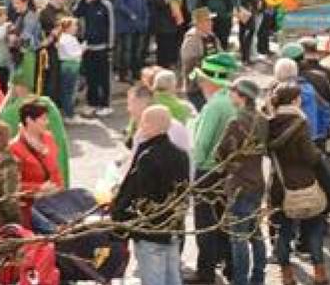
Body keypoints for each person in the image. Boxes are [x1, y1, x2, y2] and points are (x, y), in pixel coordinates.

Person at [111, 105, 191, 285]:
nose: (140, 126)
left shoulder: (148, 157)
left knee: (153, 279)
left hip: (150, 230)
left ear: (152, 125)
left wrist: (119, 217)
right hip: (173, 227)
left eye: (143, 122)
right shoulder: (181, 155)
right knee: (173, 277)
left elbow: (139, 195)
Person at [267, 82, 328, 285]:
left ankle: (286, 274)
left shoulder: (270, 123)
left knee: (283, 230)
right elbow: (310, 156)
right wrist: (319, 155)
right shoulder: (300, 123)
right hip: (304, 181)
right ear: (294, 100)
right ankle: (319, 272)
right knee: (314, 226)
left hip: (280, 183)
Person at [188, 52, 241, 283]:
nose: (199, 84)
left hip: (208, 171)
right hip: (228, 170)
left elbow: (201, 145)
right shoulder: (232, 100)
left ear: (210, 81)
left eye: (201, 79)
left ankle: (206, 274)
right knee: (223, 222)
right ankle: (231, 266)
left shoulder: (214, 106)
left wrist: (192, 176)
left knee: (205, 226)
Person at [217, 79, 269, 285]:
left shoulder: (236, 121)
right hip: (257, 181)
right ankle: (258, 277)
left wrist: (224, 163)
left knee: (238, 238)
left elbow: (221, 152)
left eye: (233, 91)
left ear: (242, 96)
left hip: (239, 183)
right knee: (255, 233)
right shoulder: (262, 119)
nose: (230, 95)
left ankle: (240, 281)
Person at [10, 99, 63, 230]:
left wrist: (44, 153)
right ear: (29, 120)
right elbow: (12, 185)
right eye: (43, 119)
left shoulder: (48, 138)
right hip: (32, 207)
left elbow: (55, 169)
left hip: (54, 200)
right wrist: (39, 188)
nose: (47, 122)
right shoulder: (14, 148)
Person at [72, 0, 115, 117]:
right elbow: (75, 13)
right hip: (88, 48)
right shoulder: (85, 4)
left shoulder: (106, 5)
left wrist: (110, 45)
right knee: (91, 78)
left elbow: (111, 25)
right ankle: (92, 104)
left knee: (103, 78)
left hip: (102, 47)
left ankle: (105, 104)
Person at [115, 0, 151, 83]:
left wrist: (145, 16)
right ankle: (123, 74)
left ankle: (136, 72)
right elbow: (119, 4)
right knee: (126, 50)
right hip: (126, 24)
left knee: (137, 49)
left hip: (139, 22)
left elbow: (144, 0)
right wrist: (131, 14)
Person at [181, 7, 223, 110]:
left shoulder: (212, 37)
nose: (211, 23)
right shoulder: (191, 39)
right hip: (196, 87)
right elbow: (189, 63)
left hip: (213, 83)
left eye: (210, 20)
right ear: (198, 23)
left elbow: (220, 54)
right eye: (207, 20)